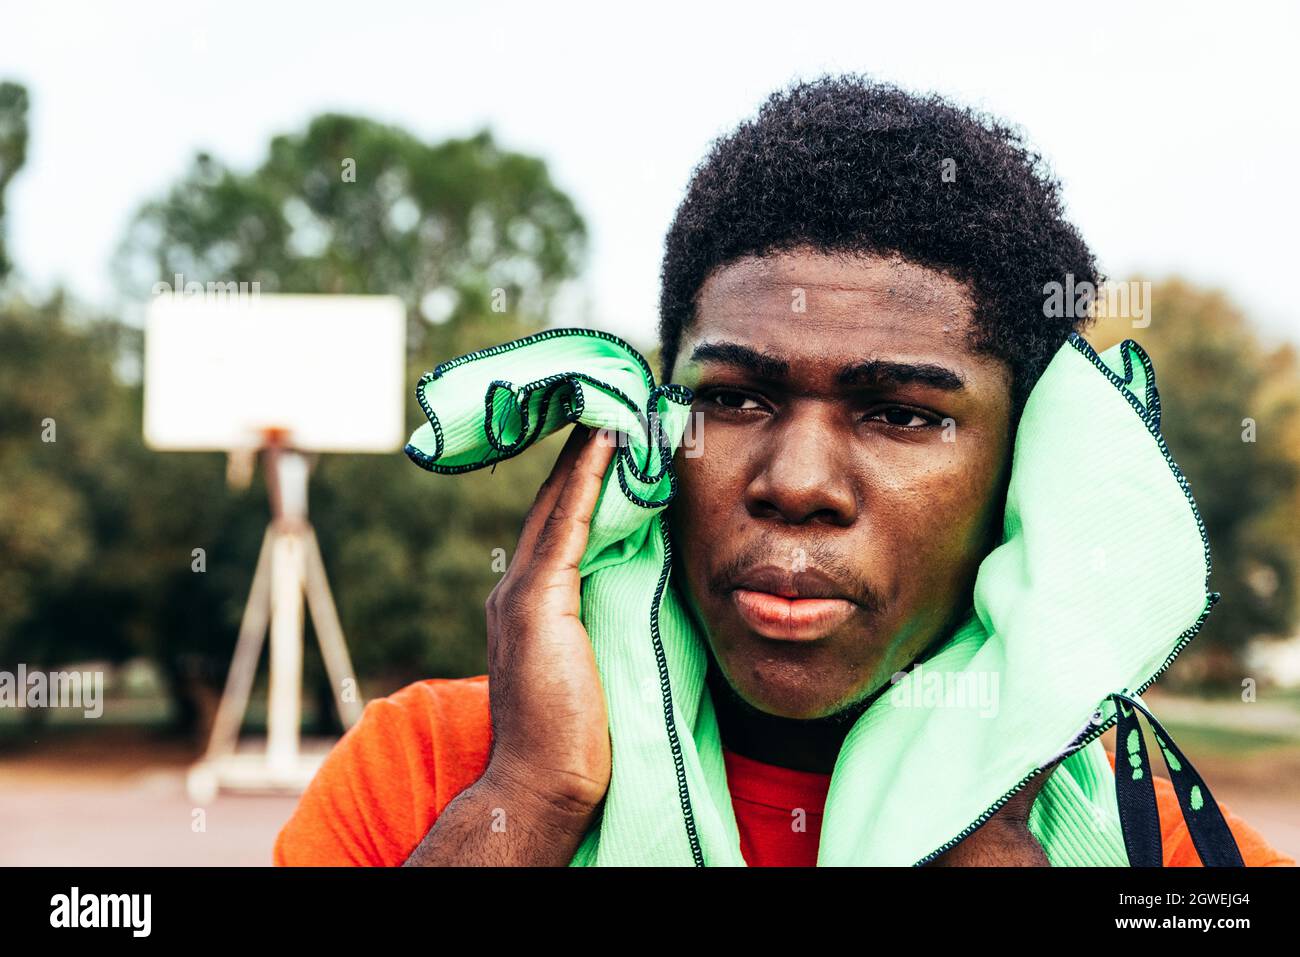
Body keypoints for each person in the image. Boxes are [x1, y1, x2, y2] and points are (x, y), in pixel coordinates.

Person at [274, 74, 1294, 867]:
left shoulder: (1154, 838)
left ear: (1026, 465)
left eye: (899, 413)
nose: (796, 482)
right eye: (733, 399)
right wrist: (534, 799)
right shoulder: (433, 772)